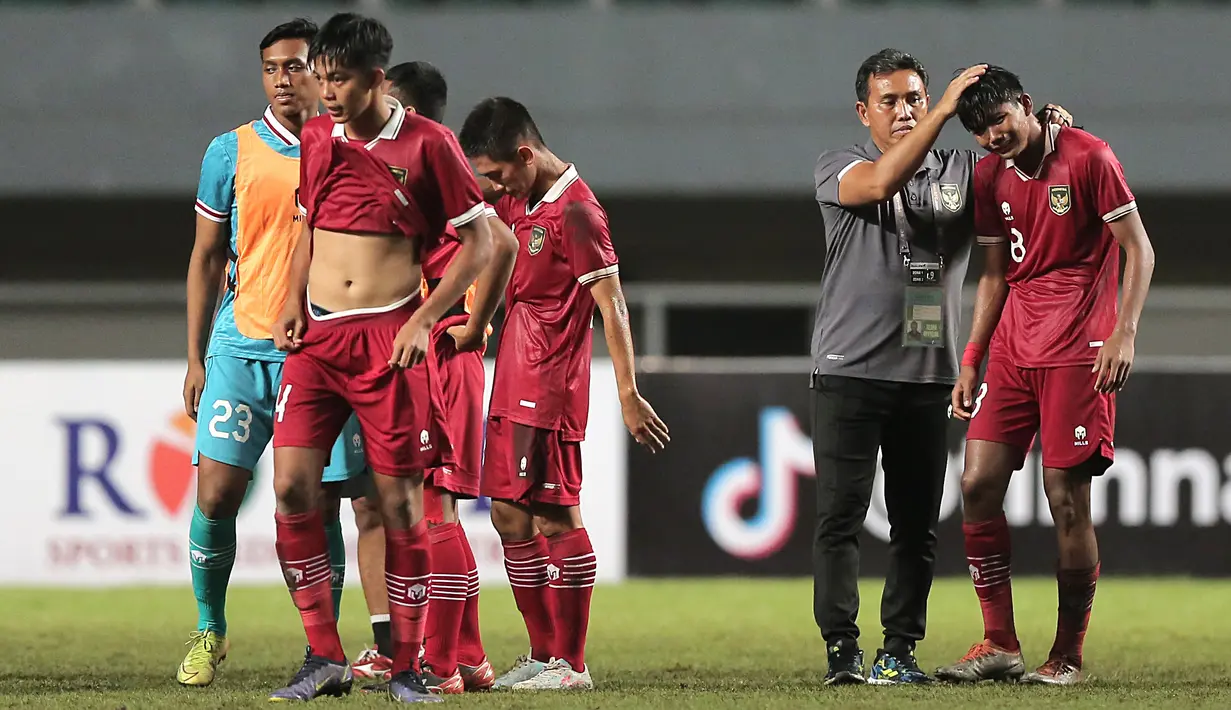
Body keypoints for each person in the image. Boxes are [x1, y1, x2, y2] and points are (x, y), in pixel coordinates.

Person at [810, 48, 1072, 686]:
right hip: (848, 369)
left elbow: (1026, 165)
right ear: (863, 110)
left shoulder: (966, 170)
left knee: (916, 526)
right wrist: (945, 111)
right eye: (890, 101)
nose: (904, 111)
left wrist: (1053, 132)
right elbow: (879, 186)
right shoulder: (838, 165)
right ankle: (842, 651)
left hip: (927, 373)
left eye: (916, 99)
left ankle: (898, 649)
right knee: (839, 519)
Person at [266, 13, 497, 703]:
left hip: (387, 340)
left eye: (338, 79)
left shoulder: (430, 145)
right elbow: (309, 225)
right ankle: (323, 656)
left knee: (400, 504)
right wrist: (287, 298)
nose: (325, 91)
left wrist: (426, 318)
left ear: (375, 79)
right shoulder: (315, 137)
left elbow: (483, 244)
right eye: (320, 77)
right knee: (289, 489)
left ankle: (405, 666)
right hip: (317, 339)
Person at [936, 66, 1154, 686]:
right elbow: (995, 271)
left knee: (1065, 498)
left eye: (999, 120)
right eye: (979, 130)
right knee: (977, 483)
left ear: (1025, 106)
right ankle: (999, 643)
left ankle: (1067, 656)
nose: (991, 137)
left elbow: (1139, 249)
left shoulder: (1089, 156)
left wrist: (1124, 332)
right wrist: (973, 355)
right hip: (1011, 345)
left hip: (1079, 347)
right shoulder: (989, 175)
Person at [178, 17, 369, 688]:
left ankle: (326, 648)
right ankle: (210, 628)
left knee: (320, 503)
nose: (283, 78)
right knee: (218, 491)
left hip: (321, 354)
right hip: (240, 347)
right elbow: (205, 258)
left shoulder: (349, 148)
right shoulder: (228, 151)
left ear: (323, 71)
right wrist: (197, 356)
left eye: (294, 66)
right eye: (271, 68)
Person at [458, 97, 670, 692]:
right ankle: (542, 653)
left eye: (499, 174)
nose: (496, 186)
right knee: (506, 514)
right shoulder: (522, 198)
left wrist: (628, 391)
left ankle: (571, 664)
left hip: (550, 387)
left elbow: (613, 305)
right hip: (511, 380)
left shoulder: (577, 213)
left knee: (554, 516)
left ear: (525, 154)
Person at [347, 61, 519, 694]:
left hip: (442, 358)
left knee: (433, 510)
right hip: (448, 357)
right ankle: (468, 656)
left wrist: (470, 324)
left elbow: (500, 242)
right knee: (433, 508)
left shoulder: (431, 172)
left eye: (382, 100)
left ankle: (441, 664)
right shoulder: (422, 174)